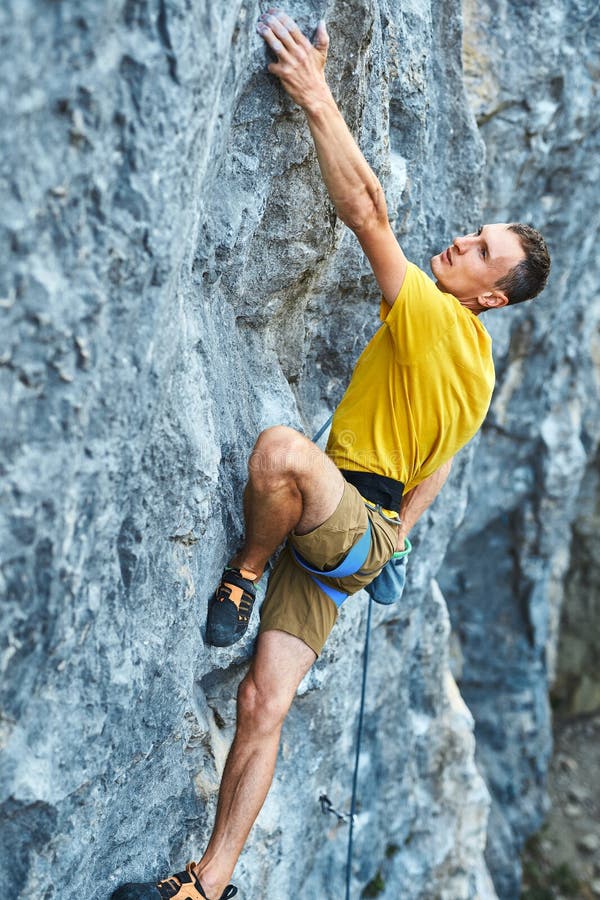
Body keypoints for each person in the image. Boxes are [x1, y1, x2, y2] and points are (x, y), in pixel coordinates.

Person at [112, 9, 550, 900]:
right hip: (360, 538)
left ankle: (244, 568)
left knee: (280, 452)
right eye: (477, 232)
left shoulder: (435, 319)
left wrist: (316, 92)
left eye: (482, 253)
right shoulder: (479, 375)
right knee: (262, 704)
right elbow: (438, 469)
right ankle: (208, 885)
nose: (463, 242)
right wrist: (399, 545)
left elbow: (366, 211)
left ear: (490, 298)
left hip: (340, 516)